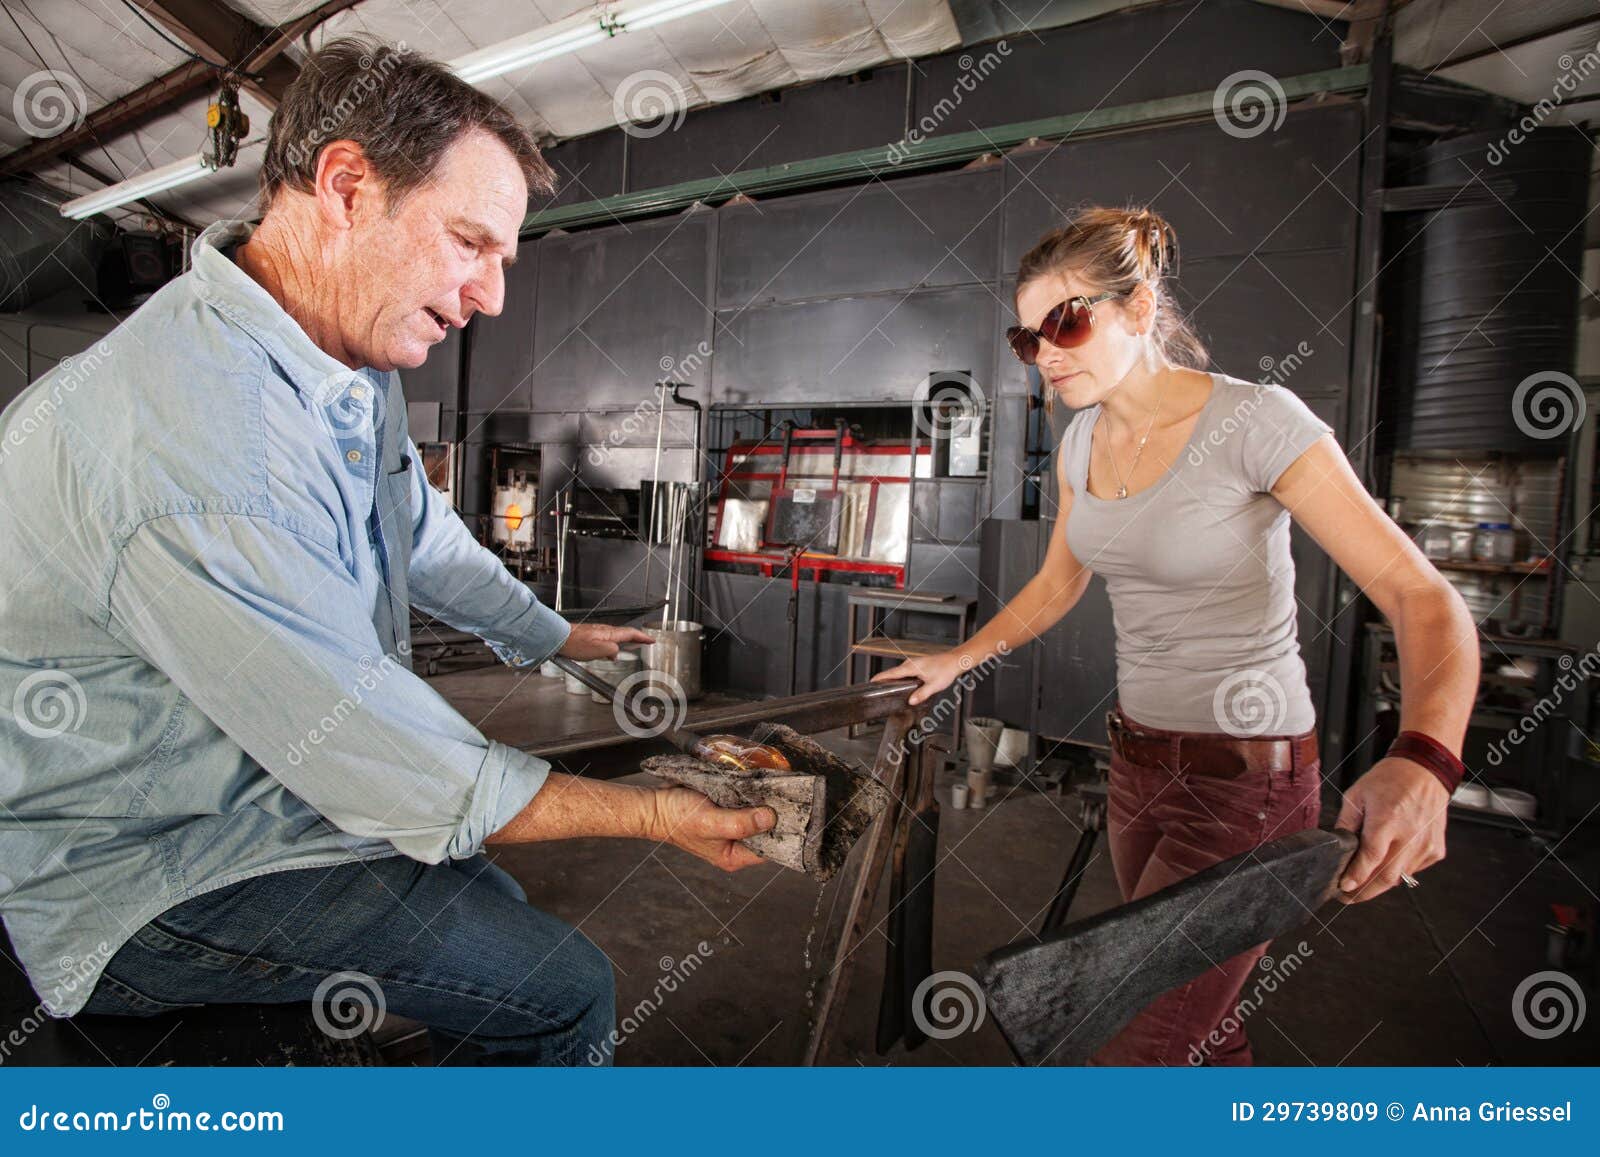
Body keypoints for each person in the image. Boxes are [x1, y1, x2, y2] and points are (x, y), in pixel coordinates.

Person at [0, 40, 774, 1066]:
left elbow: (420, 534)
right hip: (147, 867)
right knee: (565, 991)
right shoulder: (199, 441)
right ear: (347, 187)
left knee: (491, 903)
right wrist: (653, 812)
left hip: (278, 805)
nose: (491, 295)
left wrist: (555, 632)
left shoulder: (335, 361)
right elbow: (371, 749)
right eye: (470, 242)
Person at [877, 205, 1478, 1065]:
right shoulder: (1081, 438)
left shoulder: (1258, 421)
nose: (1045, 352)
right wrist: (956, 660)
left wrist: (1427, 762)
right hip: (1138, 773)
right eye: (1026, 338)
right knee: (1204, 1028)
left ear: (1141, 310)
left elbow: (1422, 597)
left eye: (1067, 321)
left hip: (1248, 788)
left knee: (1130, 1045)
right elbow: (1056, 583)